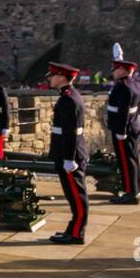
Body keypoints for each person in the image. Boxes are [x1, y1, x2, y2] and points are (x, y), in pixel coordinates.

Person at [47, 62, 89, 244]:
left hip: (70, 155)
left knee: (77, 196)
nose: (50, 78)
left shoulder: (68, 99)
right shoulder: (67, 96)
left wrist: (68, 158)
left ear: (63, 77)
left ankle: (77, 233)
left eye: (53, 75)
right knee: (72, 195)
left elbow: (70, 131)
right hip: (66, 153)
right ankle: (73, 229)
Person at [106, 56, 140, 204]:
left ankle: (130, 193)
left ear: (122, 70)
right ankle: (137, 187)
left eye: (115, 70)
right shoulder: (135, 83)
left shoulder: (122, 86)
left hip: (123, 128)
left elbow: (123, 111)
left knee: (125, 160)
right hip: (133, 125)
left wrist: (121, 131)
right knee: (133, 158)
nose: (113, 73)